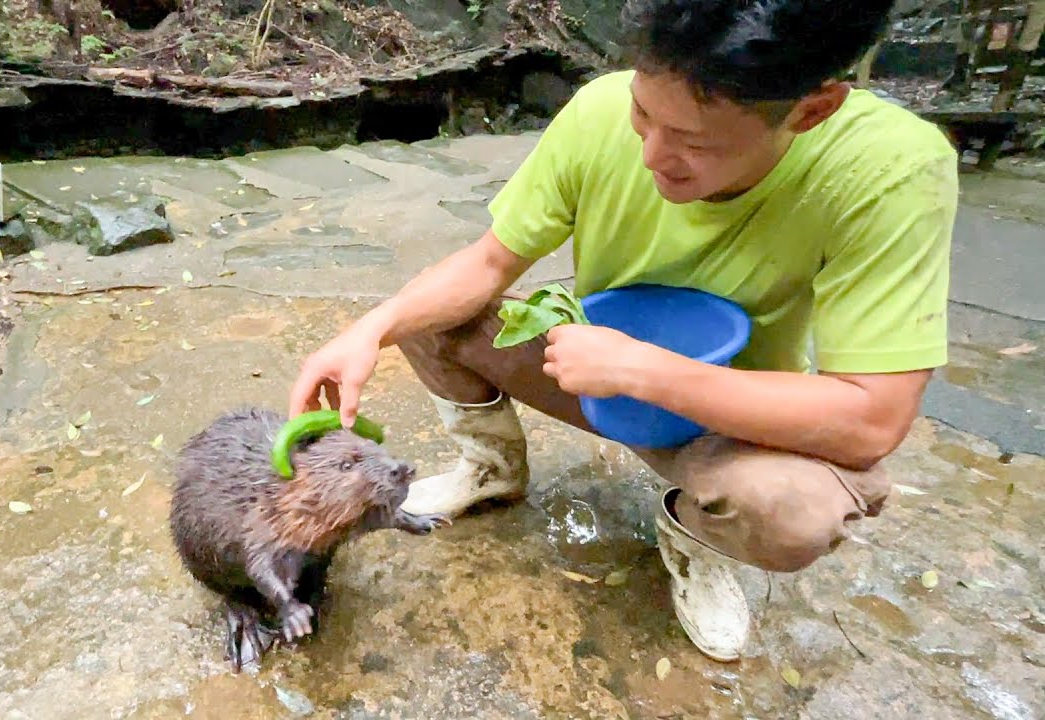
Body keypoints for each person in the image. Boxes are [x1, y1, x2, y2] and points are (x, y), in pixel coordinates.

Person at [287, 0, 957, 662]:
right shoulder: (600, 110)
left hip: (731, 417)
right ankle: (489, 467)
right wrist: (368, 331)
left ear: (811, 111)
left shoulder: (891, 168)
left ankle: (697, 535)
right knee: (424, 312)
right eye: (644, 115)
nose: (653, 156)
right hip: (591, 373)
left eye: (695, 142)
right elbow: (489, 262)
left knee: (795, 514)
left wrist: (642, 371)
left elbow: (873, 419)